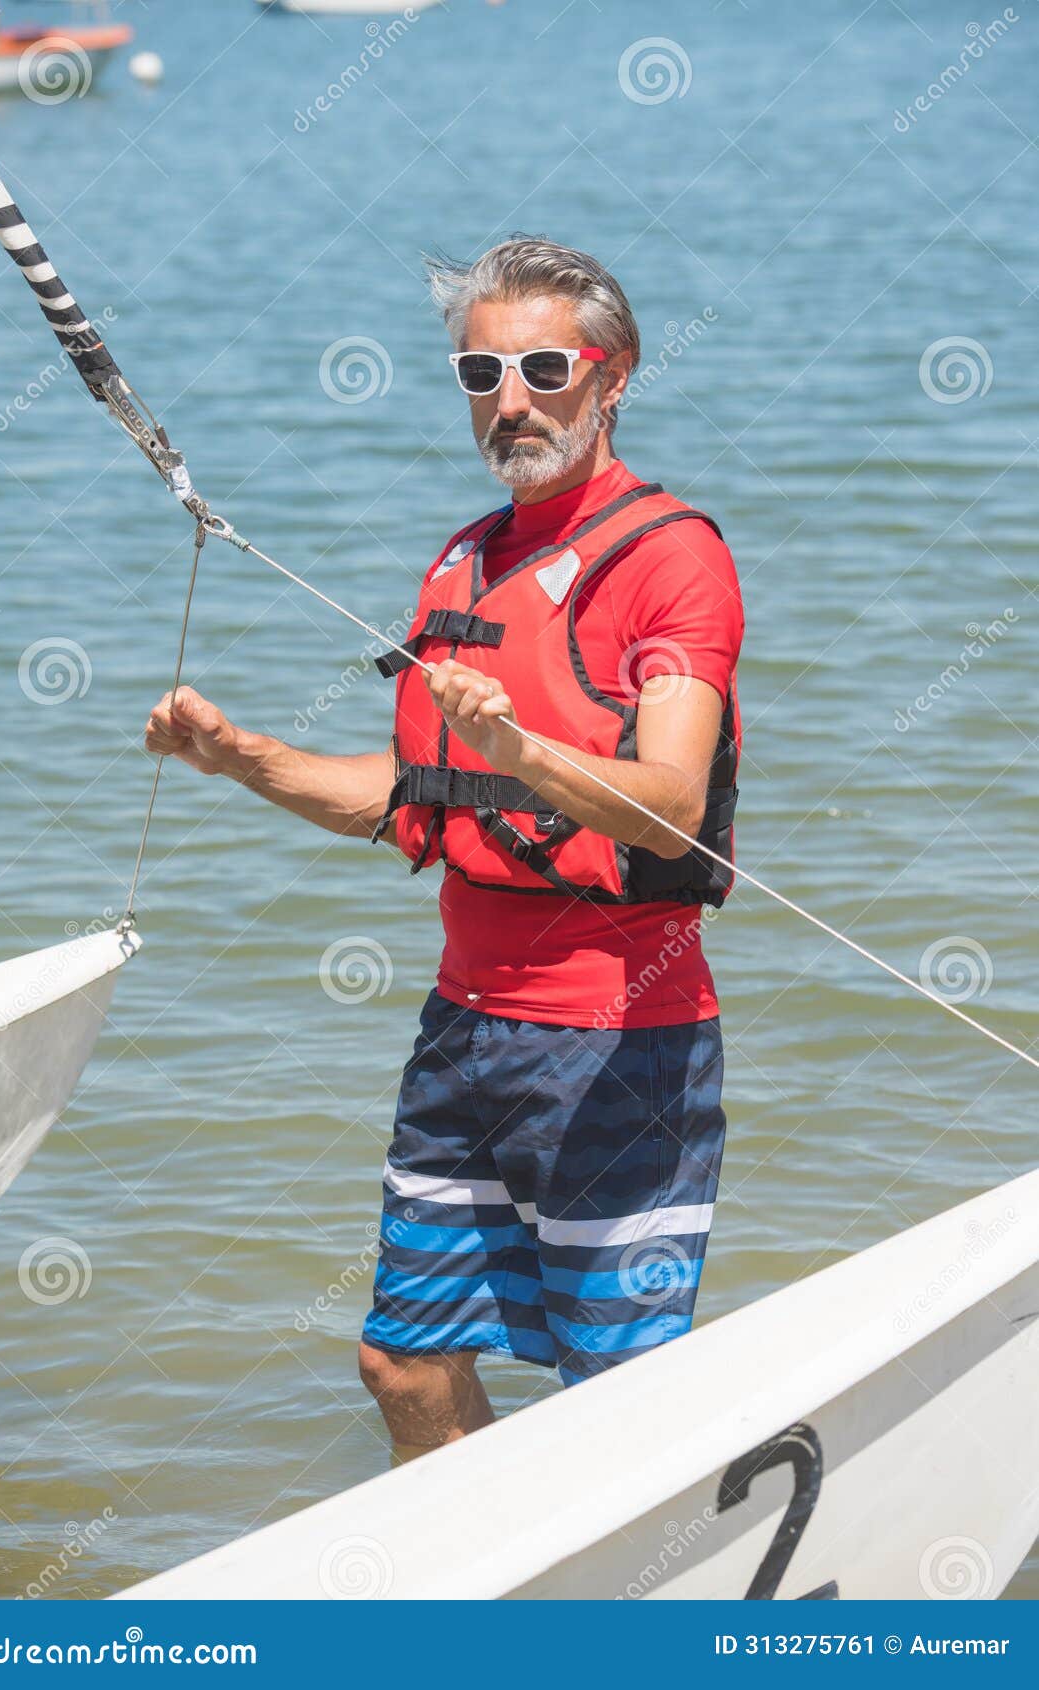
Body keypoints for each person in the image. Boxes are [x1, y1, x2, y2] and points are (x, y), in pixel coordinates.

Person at [145, 238, 744, 1465]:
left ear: (611, 374)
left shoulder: (672, 558)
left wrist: (527, 752)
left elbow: (674, 803)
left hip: (620, 1044)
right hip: (462, 1034)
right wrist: (246, 758)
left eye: (540, 366)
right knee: (402, 1361)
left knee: (617, 1400)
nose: (509, 397)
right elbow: (411, 799)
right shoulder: (463, 561)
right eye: (482, 369)